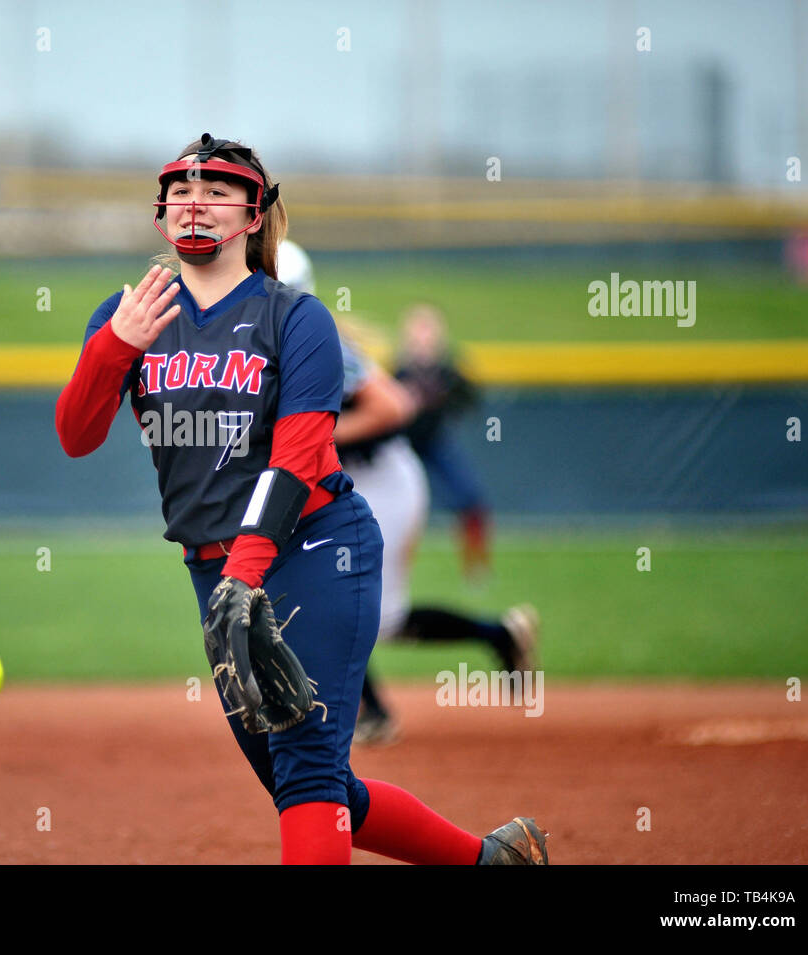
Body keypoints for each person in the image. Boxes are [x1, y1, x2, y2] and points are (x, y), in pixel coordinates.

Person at [55, 134, 547, 865]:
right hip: (213, 569)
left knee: (307, 769)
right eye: (183, 190)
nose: (198, 203)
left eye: (219, 191)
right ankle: (493, 861)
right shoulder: (132, 313)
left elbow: (297, 458)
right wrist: (112, 349)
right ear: (161, 211)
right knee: (318, 785)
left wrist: (246, 573)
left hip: (317, 548)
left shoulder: (297, 317)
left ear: (254, 213)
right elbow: (76, 434)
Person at [275, 240, 539, 747]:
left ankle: (371, 713)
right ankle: (496, 635)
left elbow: (394, 407)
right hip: (346, 479)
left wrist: (315, 437)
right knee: (351, 607)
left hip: (381, 481)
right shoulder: (270, 339)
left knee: (349, 604)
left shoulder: (314, 340)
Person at [395, 305, 493, 580]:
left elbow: (471, 399)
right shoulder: (400, 373)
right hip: (406, 448)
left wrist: (447, 400)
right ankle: (397, 563)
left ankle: (477, 568)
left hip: (437, 444)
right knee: (404, 505)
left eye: (428, 334)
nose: (424, 342)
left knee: (471, 497)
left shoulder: (448, 373)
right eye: (418, 335)